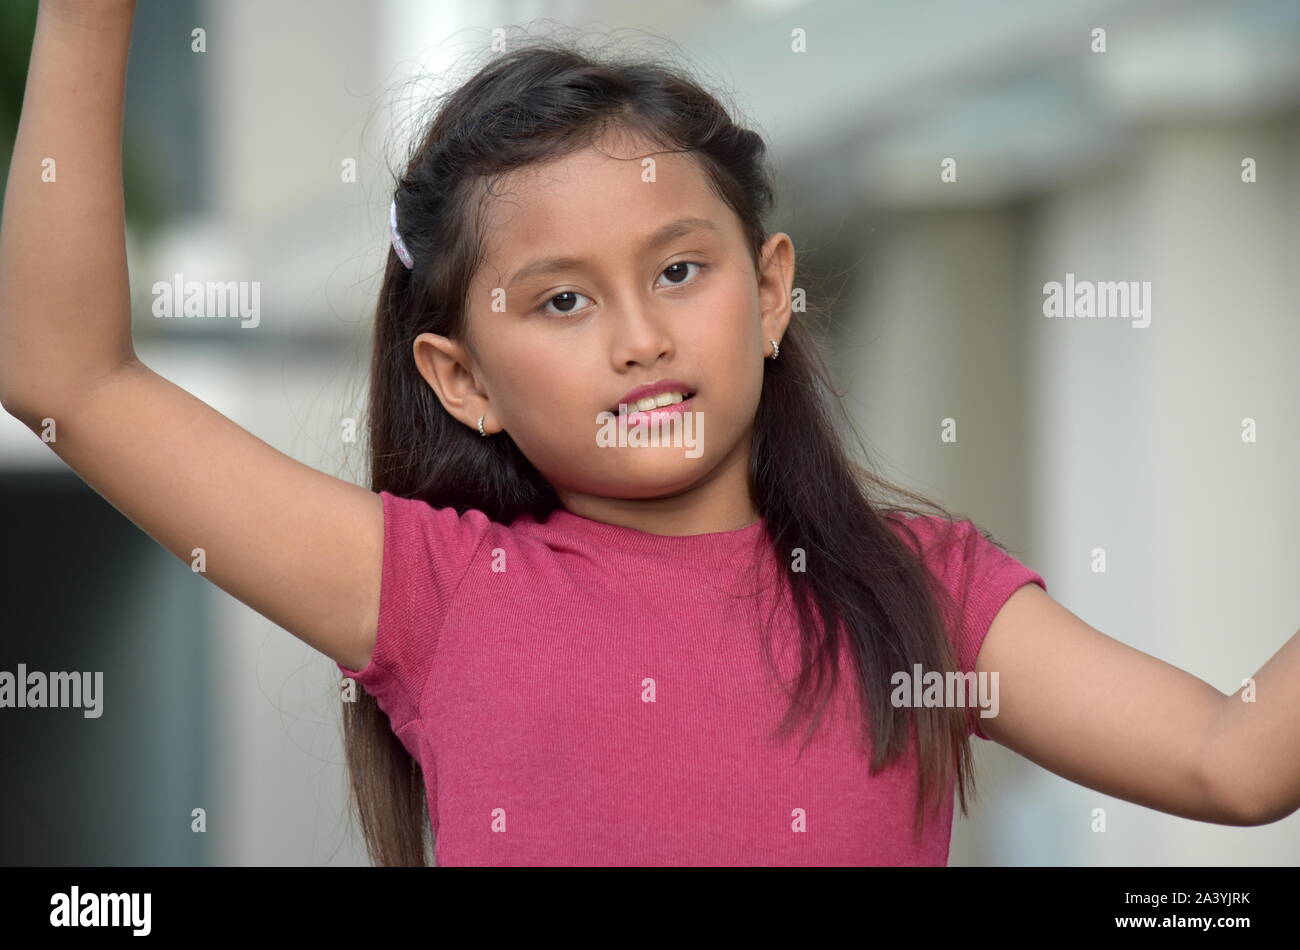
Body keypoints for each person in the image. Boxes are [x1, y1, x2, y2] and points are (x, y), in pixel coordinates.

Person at [2, 0, 1292, 867]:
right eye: (562, 301)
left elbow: (1234, 761)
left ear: (774, 287)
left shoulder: (923, 593)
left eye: (681, 272)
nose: (639, 337)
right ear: (462, 379)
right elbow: (63, 372)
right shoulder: (436, 592)